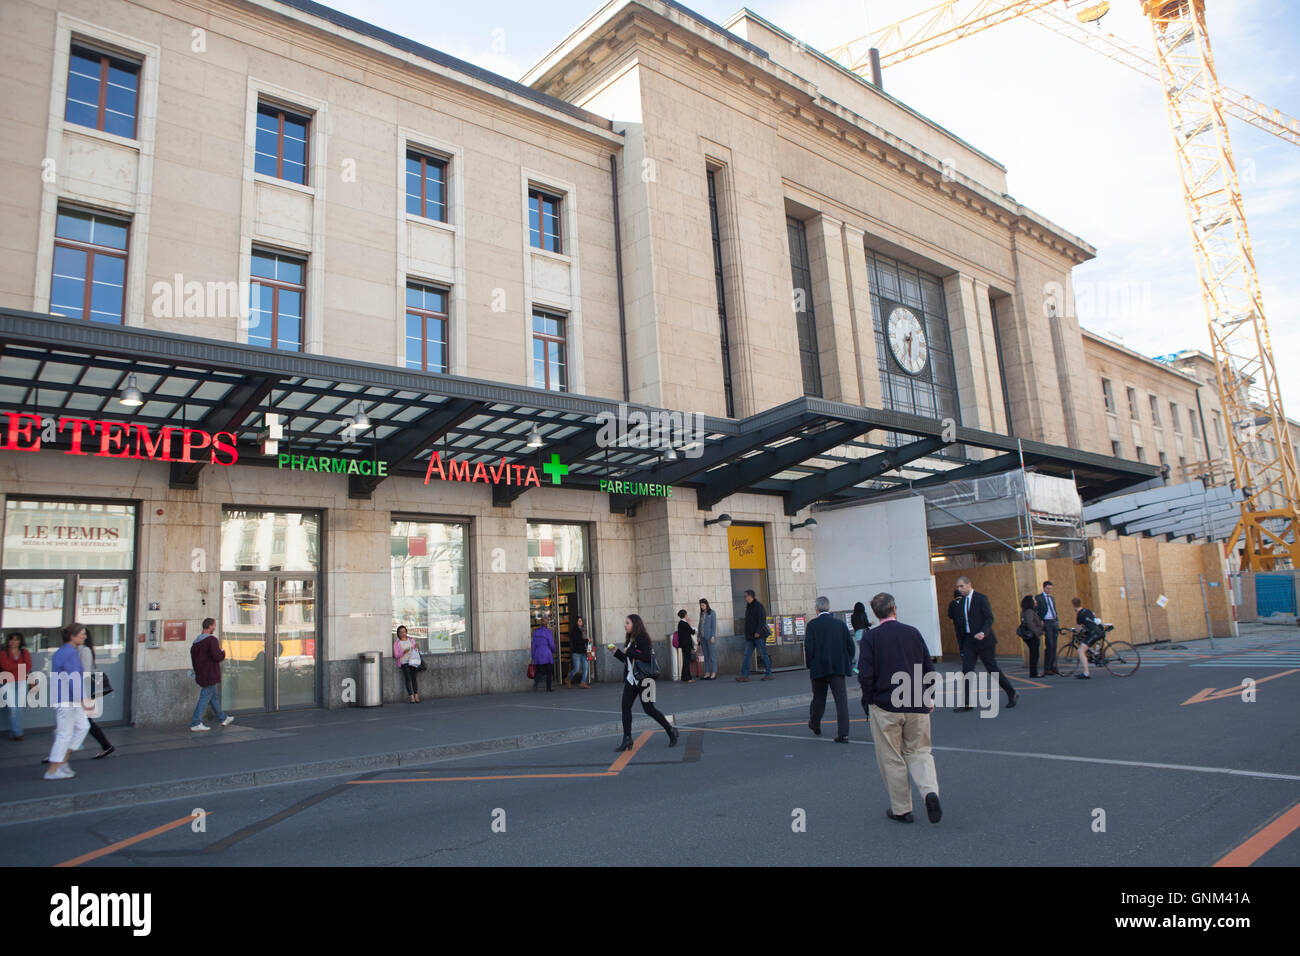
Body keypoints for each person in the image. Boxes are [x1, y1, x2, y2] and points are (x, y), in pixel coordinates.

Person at [857, 593, 941, 824]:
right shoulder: (912, 633)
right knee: (920, 751)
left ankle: (902, 809)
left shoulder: (870, 638)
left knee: (891, 757)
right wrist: (928, 696)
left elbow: (865, 674)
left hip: (886, 704)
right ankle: (929, 792)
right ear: (895, 608)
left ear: (875, 613)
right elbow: (928, 667)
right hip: (916, 700)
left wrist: (870, 699)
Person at [610, 614, 677, 750]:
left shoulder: (643, 638)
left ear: (635, 624)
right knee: (625, 707)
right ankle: (627, 739)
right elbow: (629, 660)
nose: (625, 625)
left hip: (646, 679)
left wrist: (630, 651)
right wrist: (616, 652)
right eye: (625, 623)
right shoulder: (630, 639)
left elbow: (646, 657)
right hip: (632, 679)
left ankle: (670, 730)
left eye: (627, 623)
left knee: (649, 709)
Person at [952, 576, 1019, 711]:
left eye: (962, 586)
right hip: (969, 641)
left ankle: (1012, 692)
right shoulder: (961, 602)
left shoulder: (981, 598)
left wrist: (983, 632)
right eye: (958, 587)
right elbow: (961, 623)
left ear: (969, 584)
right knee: (966, 670)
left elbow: (989, 618)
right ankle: (966, 703)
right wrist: (962, 642)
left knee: (992, 669)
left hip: (984, 640)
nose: (959, 589)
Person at [45, 623, 94, 780]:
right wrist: (83, 699)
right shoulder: (70, 653)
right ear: (72, 636)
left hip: (67, 698)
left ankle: (62, 761)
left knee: (83, 727)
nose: (85, 636)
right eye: (82, 634)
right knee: (64, 734)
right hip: (67, 699)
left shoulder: (65, 651)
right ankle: (52, 770)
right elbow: (74, 678)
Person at [805, 596, 856, 742]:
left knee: (818, 698)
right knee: (841, 701)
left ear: (816, 609)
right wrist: (846, 661)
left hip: (819, 667)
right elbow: (850, 646)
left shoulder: (812, 625)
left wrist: (810, 664)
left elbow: (809, 648)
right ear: (828, 607)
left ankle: (815, 723)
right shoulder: (839, 624)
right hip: (838, 667)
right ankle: (843, 733)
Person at [191, 618, 235, 730]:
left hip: (201, 674)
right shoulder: (211, 640)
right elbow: (217, 656)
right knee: (205, 696)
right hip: (210, 674)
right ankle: (196, 722)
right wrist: (223, 652)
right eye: (214, 625)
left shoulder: (196, 642)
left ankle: (223, 718)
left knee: (213, 697)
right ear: (210, 626)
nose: (215, 627)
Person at [78, 633, 115, 758]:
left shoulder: (85, 650)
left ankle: (106, 745)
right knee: (84, 721)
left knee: (85, 721)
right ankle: (106, 746)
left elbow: (84, 672)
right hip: (81, 690)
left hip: (83, 691)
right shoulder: (79, 649)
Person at [0, 632, 35, 741]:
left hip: (21, 682)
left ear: (20, 641)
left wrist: (13, 667)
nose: (14, 642)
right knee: (13, 709)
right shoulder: (3, 653)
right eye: (12, 639)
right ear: (8, 641)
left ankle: (14, 732)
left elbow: (28, 666)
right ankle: (18, 733)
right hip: (7, 682)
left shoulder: (25, 652)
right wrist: (20, 667)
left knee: (19, 709)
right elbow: (5, 666)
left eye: (17, 639)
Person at [736, 589, 772, 682]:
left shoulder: (758, 606)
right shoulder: (748, 606)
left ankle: (768, 674)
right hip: (750, 637)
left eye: (745, 596)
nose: (744, 598)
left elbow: (762, 620)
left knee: (763, 654)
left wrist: (758, 632)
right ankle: (744, 675)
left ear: (750, 596)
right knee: (747, 655)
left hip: (758, 636)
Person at [1071, 597, 1104, 680]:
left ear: (1073, 606)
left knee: (1080, 651)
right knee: (1086, 643)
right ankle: (1096, 654)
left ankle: (1086, 673)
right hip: (1098, 631)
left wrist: (1074, 630)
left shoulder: (1079, 615)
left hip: (1093, 634)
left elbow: (1078, 630)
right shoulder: (1087, 610)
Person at [1036, 581, 1062, 676]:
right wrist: (1040, 620)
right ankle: (1047, 668)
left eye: (1051, 588)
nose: (1049, 590)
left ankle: (1053, 667)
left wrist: (1057, 621)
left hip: (1053, 621)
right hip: (1046, 622)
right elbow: (1036, 611)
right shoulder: (1038, 598)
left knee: (1054, 645)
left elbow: (1054, 609)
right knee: (1050, 644)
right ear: (1044, 588)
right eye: (1048, 588)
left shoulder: (1052, 598)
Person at [393, 624, 423, 703]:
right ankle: (411, 696)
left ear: (406, 632)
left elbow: (414, 650)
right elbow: (396, 655)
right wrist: (403, 652)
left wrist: (416, 647)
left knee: (414, 678)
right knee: (408, 679)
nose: (403, 633)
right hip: (404, 662)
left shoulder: (411, 639)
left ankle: (416, 695)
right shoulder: (397, 643)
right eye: (401, 632)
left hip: (413, 661)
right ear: (398, 634)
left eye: (404, 632)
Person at [1018, 595, 1044, 680]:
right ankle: (1034, 673)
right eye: (1034, 600)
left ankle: (1034, 672)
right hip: (1032, 636)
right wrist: (1037, 632)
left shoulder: (1025, 611)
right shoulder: (1029, 611)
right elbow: (1029, 623)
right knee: (1034, 654)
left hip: (1030, 635)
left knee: (1034, 653)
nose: (1036, 601)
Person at [531, 613, 556, 692]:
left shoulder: (535, 632)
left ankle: (536, 681)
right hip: (547, 653)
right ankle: (548, 688)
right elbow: (551, 643)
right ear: (547, 623)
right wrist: (553, 650)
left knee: (540, 670)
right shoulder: (548, 632)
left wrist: (533, 655)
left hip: (538, 653)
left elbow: (533, 644)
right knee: (549, 671)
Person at [697, 599, 718, 680]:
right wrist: (698, 636)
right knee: (706, 656)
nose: (702, 607)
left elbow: (714, 626)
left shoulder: (712, 613)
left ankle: (714, 672)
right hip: (702, 637)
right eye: (701, 605)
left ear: (706, 604)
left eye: (703, 605)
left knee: (712, 655)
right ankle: (707, 672)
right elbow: (700, 625)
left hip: (709, 637)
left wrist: (713, 636)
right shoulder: (701, 614)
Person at [566, 616, 590, 688]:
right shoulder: (574, 630)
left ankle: (582, 682)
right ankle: (568, 679)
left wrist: (588, 641)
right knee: (576, 668)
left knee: (585, 667)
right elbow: (577, 641)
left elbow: (585, 640)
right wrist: (586, 640)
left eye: (581, 621)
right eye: (579, 621)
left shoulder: (583, 630)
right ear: (576, 622)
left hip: (583, 651)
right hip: (576, 652)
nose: (580, 622)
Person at [850, 602, 872, 676]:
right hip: (863, 633)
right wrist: (871, 623)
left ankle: (863, 667)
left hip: (857, 635)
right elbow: (866, 623)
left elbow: (854, 626)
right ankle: (857, 667)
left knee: (863, 651)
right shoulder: (863, 614)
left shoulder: (852, 616)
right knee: (865, 652)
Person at [676, 609, 696, 683]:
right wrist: (689, 623)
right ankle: (687, 678)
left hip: (683, 645)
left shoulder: (680, 623)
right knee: (687, 661)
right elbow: (692, 632)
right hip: (687, 645)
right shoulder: (685, 623)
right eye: (687, 614)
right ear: (685, 615)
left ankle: (684, 677)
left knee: (685, 660)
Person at [946, 588, 967, 656]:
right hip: (967, 625)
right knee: (968, 639)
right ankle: (970, 653)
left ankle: (962, 653)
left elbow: (950, 615)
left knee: (960, 639)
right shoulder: (966, 601)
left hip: (958, 625)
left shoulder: (952, 603)